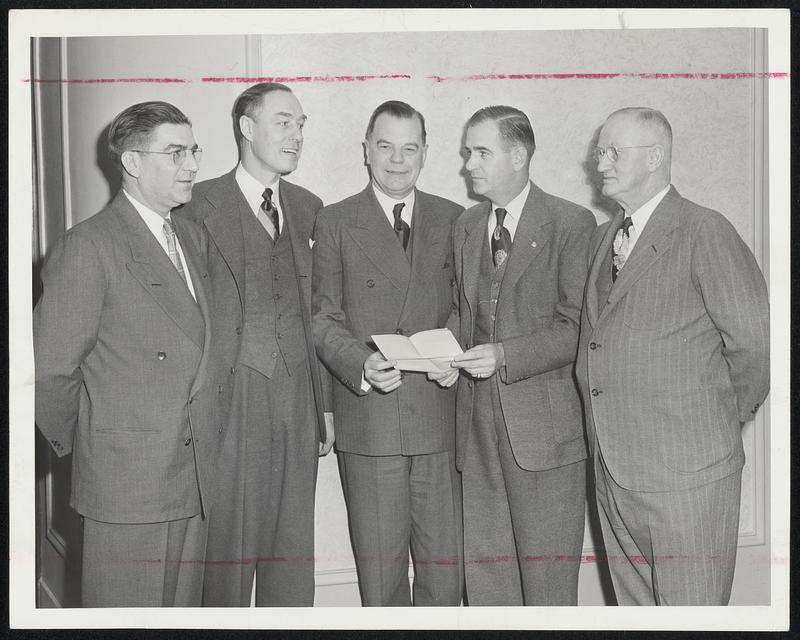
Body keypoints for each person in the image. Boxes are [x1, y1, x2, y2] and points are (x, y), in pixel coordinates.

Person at [576, 107, 769, 606]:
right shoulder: (604, 238)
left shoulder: (704, 230)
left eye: (615, 152)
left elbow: (757, 344)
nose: (602, 164)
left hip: (689, 477)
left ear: (656, 157)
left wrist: (716, 421)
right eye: (600, 151)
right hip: (615, 474)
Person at [34, 101, 220, 607]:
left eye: (194, 150)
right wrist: (102, 445)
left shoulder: (190, 235)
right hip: (127, 485)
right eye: (176, 152)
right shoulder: (88, 246)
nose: (193, 165)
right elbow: (49, 371)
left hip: (192, 478)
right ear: (133, 162)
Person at [432, 105, 596, 605]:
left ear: (519, 155)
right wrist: (441, 352)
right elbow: (465, 313)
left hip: (544, 436)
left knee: (547, 586)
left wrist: (504, 354)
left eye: (481, 152)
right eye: (467, 153)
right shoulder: (466, 224)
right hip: (475, 428)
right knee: (487, 579)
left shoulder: (570, 223)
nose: (469, 165)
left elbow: (577, 329)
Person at [176, 82, 332, 607]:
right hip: (229, 408)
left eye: (301, 124)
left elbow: (322, 318)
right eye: (284, 122)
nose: (297, 135)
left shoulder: (312, 210)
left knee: (292, 561)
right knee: (224, 565)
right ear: (246, 126)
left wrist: (323, 411)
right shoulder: (196, 207)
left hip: (298, 407)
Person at [312, 100, 464, 606]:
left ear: (425, 153)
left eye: (409, 148)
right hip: (371, 421)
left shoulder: (455, 218)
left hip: (439, 420)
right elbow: (322, 317)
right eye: (385, 146)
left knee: (445, 577)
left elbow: (468, 306)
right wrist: (361, 363)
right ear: (366, 151)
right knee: (381, 581)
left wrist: (454, 353)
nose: (397, 160)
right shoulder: (334, 221)